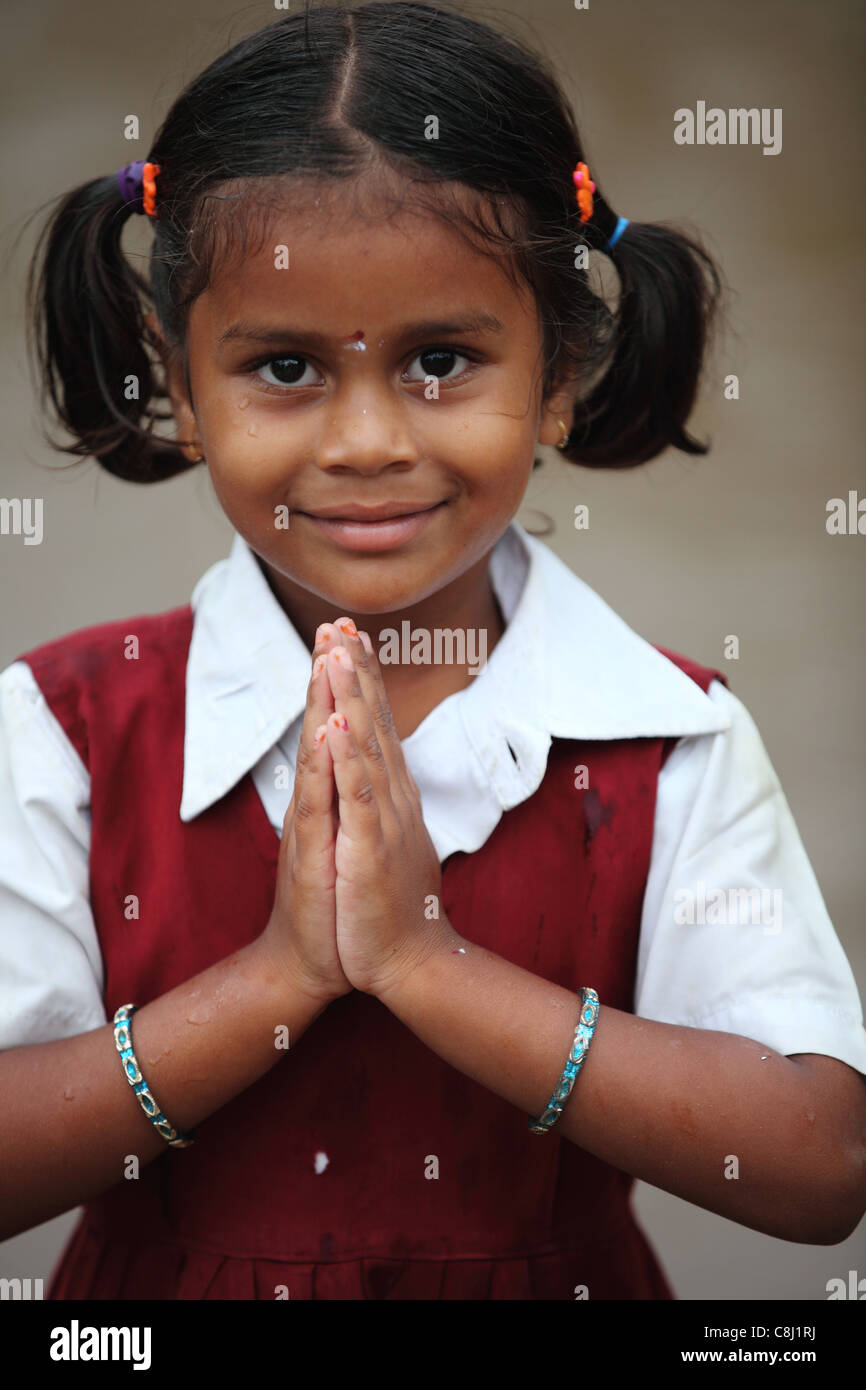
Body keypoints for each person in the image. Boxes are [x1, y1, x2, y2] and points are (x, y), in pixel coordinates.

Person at [2, 2, 864, 1301]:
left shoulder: (666, 732)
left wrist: (425, 961)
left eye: (441, 359)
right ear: (178, 385)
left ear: (559, 371)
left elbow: (817, 1163)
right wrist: (278, 979)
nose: (363, 442)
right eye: (284, 365)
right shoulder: (65, 726)